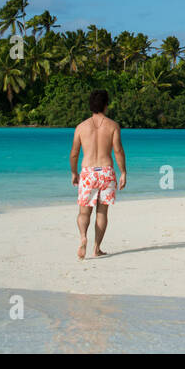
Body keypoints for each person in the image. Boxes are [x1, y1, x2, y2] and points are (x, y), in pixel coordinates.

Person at [70, 89, 126, 259]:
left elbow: (74, 153)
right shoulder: (113, 126)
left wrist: (74, 172)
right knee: (102, 213)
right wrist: (123, 171)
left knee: (84, 212)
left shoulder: (81, 127)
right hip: (106, 172)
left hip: (88, 173)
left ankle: (83, 237)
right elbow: (118, 151)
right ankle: (96, 248)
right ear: (106, 105)